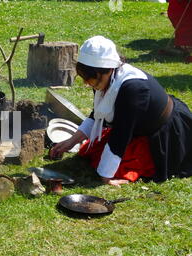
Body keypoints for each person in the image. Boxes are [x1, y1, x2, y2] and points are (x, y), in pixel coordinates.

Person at [50, 36, 192, 186]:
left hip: (164, 133)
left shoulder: (134, 89)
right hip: (133, 127)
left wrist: (105, 177)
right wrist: (71, 141)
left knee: (119, 168)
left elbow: (121, 135)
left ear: (108, 69)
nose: (87, 83)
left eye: (91, 78)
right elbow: (97, 115)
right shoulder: (105, 80)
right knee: (93, 153)